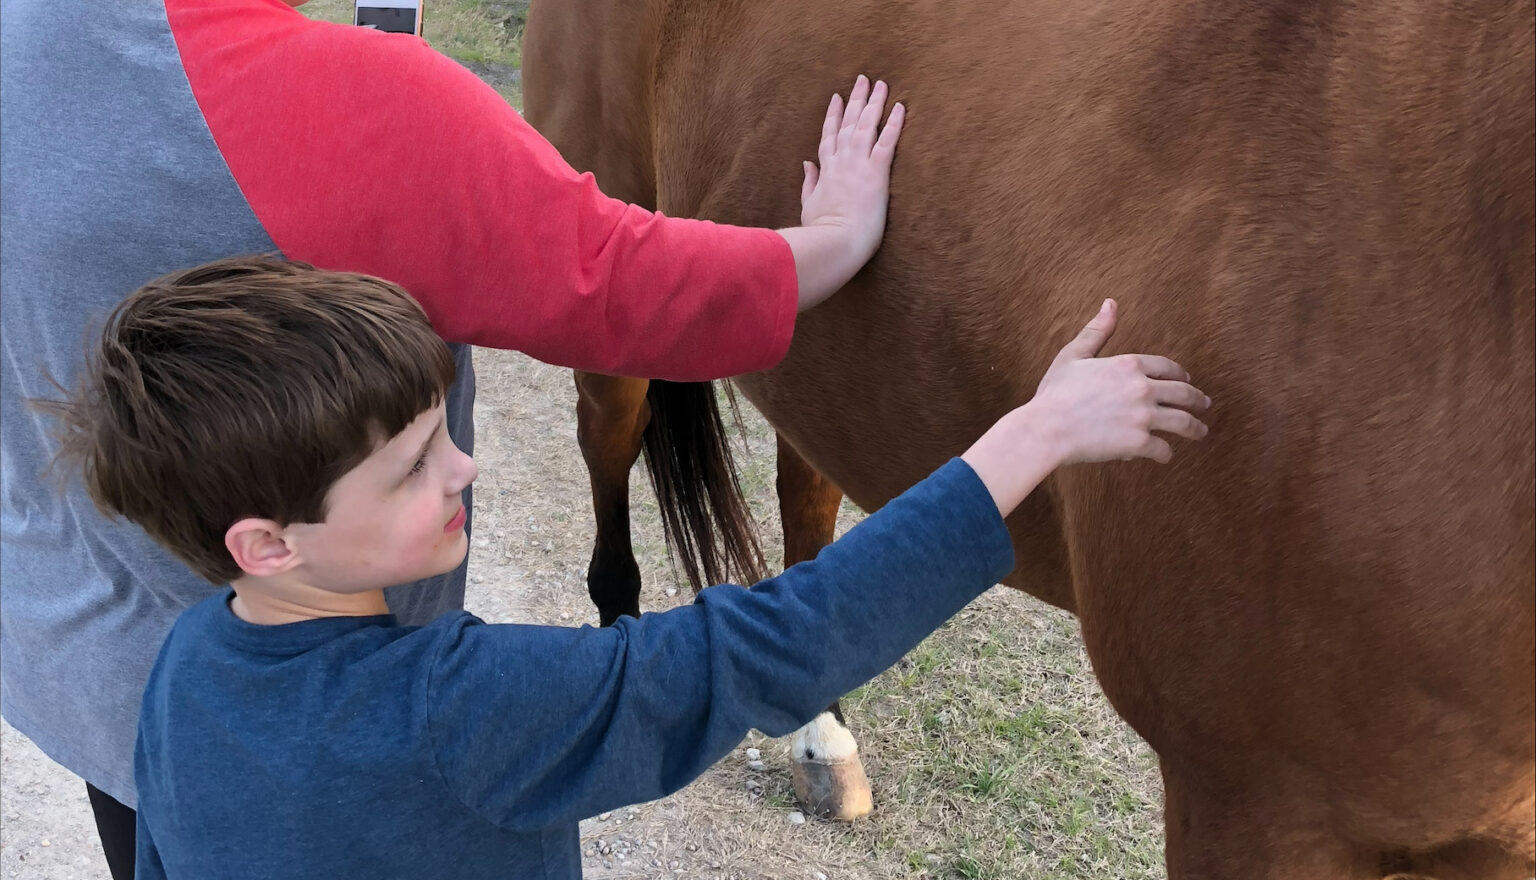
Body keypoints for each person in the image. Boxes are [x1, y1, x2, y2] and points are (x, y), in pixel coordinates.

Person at [0, 0, 904, 878]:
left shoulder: (21, 0)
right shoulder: (356, 102)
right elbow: (624, 283)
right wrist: (830, 241)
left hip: (100, 697)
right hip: (342, 740)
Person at [47, 255, 1211, 879]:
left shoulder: (188, 662)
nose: (464, 467)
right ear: (268, 541)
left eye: (445, 428)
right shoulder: (454, 711)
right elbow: (775, 643)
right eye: (410, 469)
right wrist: (1034, 436)